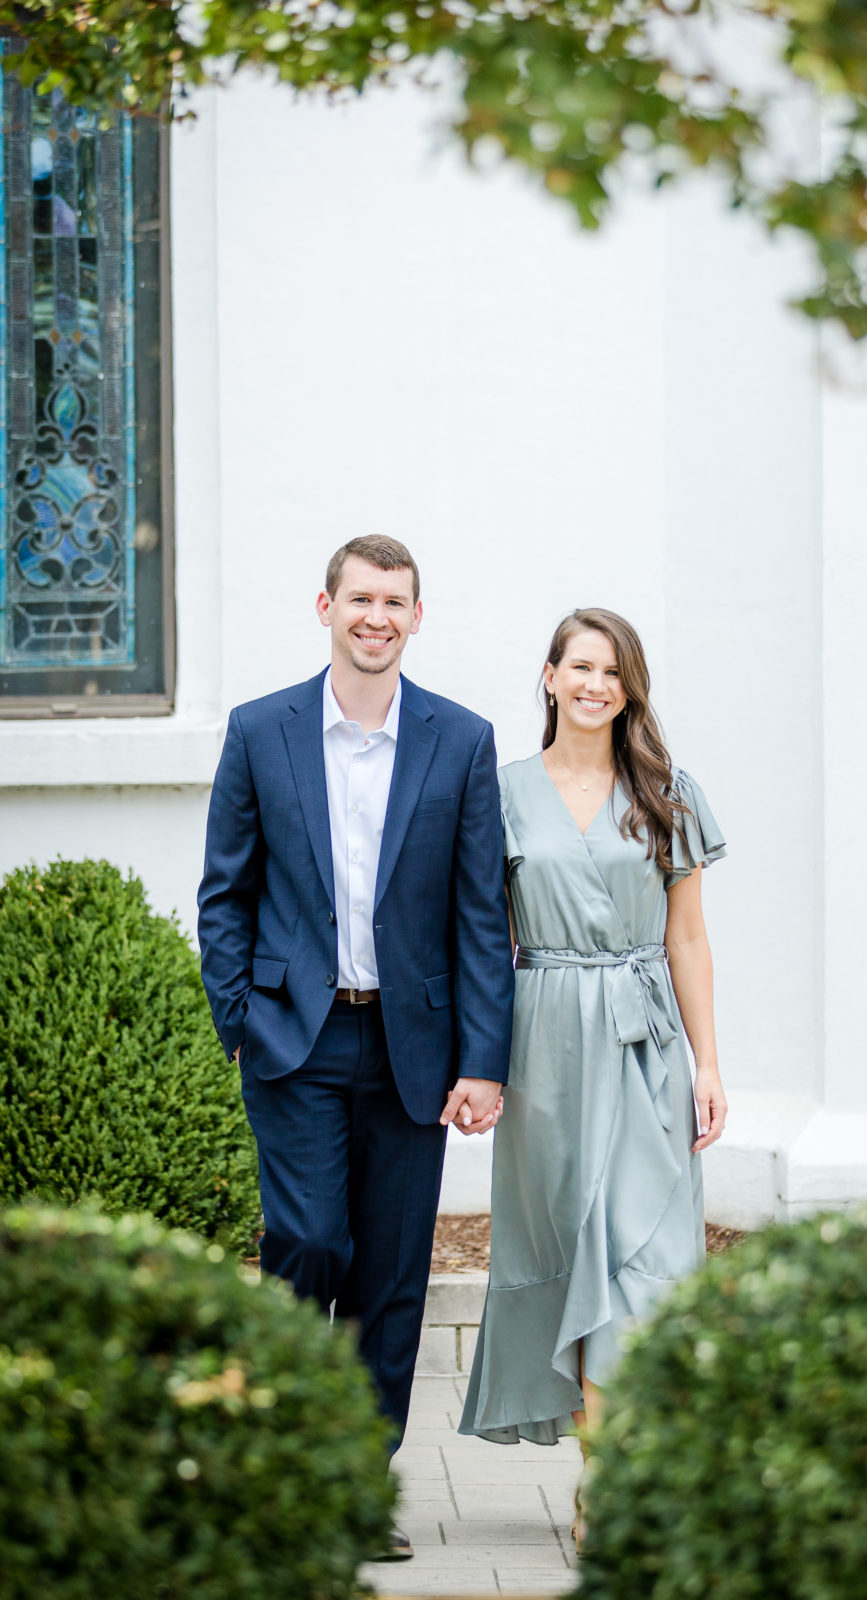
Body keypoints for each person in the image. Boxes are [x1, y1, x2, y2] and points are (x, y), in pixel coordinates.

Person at [197, 535, 514, 1560]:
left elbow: (478, 914)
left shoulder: (460, 740)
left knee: (389, 1273)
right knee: (306, 1243)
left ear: (416, 617)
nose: (375, 617)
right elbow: (225, 892)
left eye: (395, 601)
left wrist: (482, 1060)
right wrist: (238, 1015)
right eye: (359, 599)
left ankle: (353, 1487)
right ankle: (287, 1462)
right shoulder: (260, 730)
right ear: (324, 605)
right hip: (294, 1037)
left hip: (412, 1049)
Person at [459, 607, 727, 1541]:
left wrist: (708, 1065)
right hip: (543, 1048)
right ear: (547, 676)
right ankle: (595, 1470)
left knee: (642, 1254)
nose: (594, 685)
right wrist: (478, 1066)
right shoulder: (494, 794)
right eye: (579, 667)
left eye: (612, 672)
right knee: (571, 1249)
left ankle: (616, 1480)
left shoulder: (668, 792)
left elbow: (687, 937)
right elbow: (483, 946)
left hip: (645, 1041)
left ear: (629, 687)